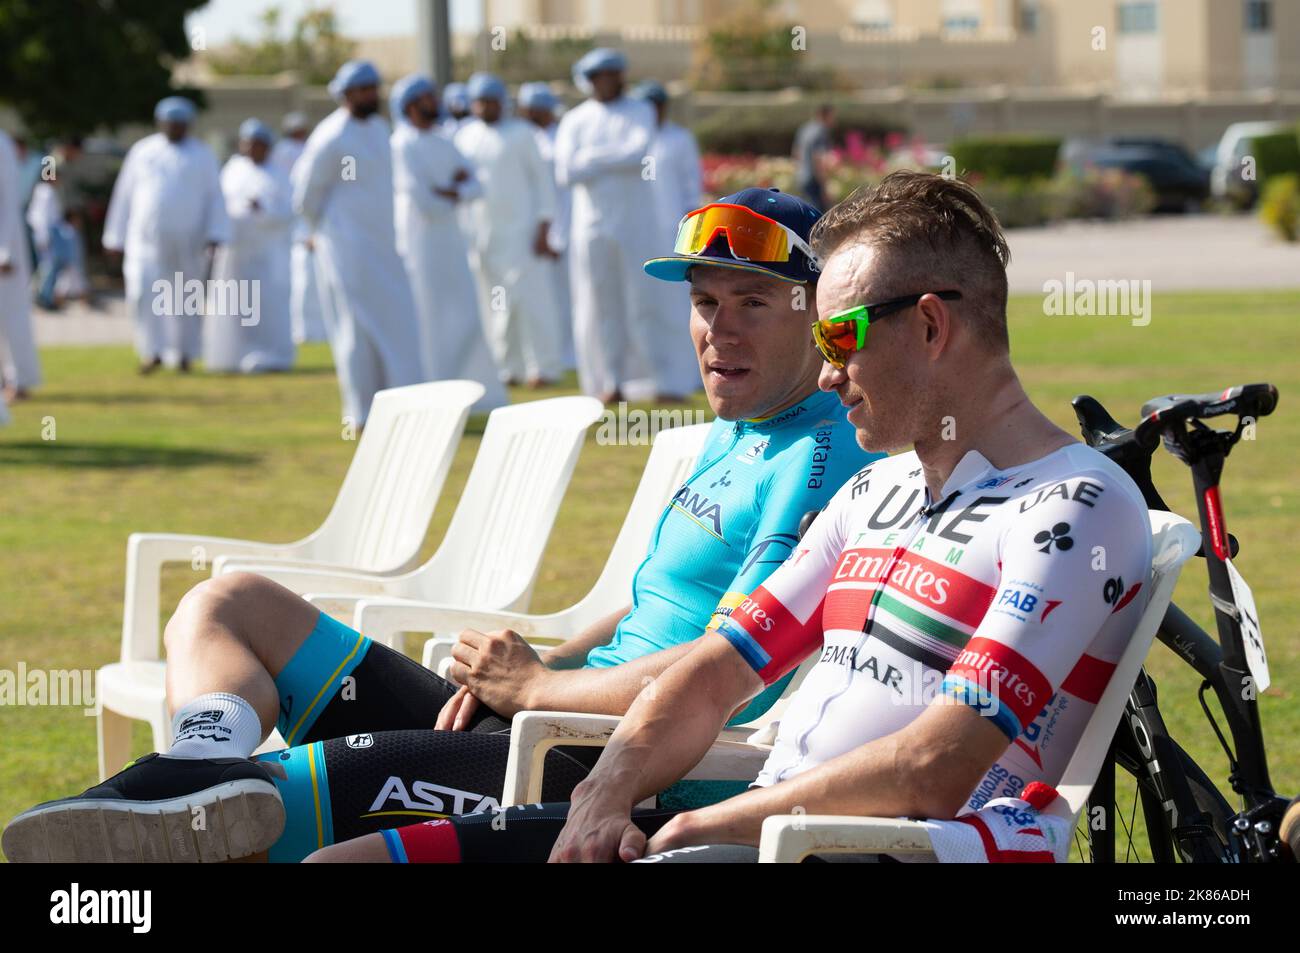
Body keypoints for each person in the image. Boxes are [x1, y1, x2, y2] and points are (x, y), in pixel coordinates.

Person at [0, 189, 883, 864]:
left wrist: (538, 689)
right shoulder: (740, 432)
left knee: (264, 809)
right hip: (549, 713)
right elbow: (653, 602)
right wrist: (543, 663)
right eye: (704, 303)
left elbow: (725, 671)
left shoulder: (819, 458)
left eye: (751, 304)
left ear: (817, 313)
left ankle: (153, 809)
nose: (716, 330)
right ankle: (193, 766)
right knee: (229, 603)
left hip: (605, 760)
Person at [337, 171, 1156, 865]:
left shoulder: (1075, 506)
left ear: (933, 325)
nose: (828, 375)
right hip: (753, 833)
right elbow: (720, 668)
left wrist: (706, 824)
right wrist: (606, 788)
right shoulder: (878, 492)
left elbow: (935, 763)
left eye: (838, 338)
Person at [292, 60, 424, 428]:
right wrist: (324, 231)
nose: (369, 95)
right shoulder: (332, 135)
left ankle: (400, 406)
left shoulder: (381, 128)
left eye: (372, 88)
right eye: (361, 90)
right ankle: (361, 413)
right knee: (354, 329)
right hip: (347, 248)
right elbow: (305, 194)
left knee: (396, 322)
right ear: (345, 95)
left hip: (384, 244)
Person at [554, 48, 677, 403]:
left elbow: (637, 153)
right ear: (591, 81)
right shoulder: (575, 120)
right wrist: (605, 159)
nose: (607, 83)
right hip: (591, 226)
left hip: (636, 224)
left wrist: (590, 159)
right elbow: (566, 172)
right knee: (600, 305)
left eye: (612, 75)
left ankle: (661, 381)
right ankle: (610, 380)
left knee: (646, 301)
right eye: (600, 77)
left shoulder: (639, 110)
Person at [389, 73, 506, 412]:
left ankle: (466, 391)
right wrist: (454, 191)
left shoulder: (443, 141)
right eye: (427, 97)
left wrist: (451, 190)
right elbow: (424, 202)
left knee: (462, 313)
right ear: (412, 105)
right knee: (426, 315)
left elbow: (477, 185)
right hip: (418, 244)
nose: (435, 102)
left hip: (451, 242)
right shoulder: (402, 144)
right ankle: (428, 393)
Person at [102, 97, 230, 374]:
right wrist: (115, 237)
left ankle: (185, 354)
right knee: (143, 295)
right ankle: (152, 352)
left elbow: (215, 198)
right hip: (144, 242)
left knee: (185, 299)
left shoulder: (203, 154)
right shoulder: (143, 151)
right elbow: (124, 195)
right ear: (160, 124)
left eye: (181, 124)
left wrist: (217, 232)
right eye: (171, 124)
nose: (176, 129)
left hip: (188, 242)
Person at [455, 72, 565, 388]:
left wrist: (545, 228)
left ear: (501, 103)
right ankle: (506, 368)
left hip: (524, 234)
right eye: (480, 102)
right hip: (482, 236)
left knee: (533, 302)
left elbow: (544, 186)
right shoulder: (465, 137)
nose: (485, 107)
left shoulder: (522, 134)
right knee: (494, 304)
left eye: (490, 101)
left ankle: (545, 367)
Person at [202, 119, 295, 374]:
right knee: (234, 305)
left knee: (266, 307)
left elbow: (289, 213)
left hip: (266, 255)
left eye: (258, 144)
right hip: (234, 254)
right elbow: (217, 205)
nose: (253, 148)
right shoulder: (232, 170)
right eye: (248, 143)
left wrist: (263, 210)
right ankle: (231, 356)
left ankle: (269, 356)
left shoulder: (279, 175)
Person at [631, 80, 704, 398]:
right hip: (636, 238)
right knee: (640, 308)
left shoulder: (679, 139)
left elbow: (692, 188)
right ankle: (645, 377)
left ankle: (681, 378)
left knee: (675, 310)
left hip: (674, 237)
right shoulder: (630, 141)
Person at [518, 81, 575, 372]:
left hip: (560, 227)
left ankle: (568, 354)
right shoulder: (528, 137)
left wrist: (556, 233)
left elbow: (561, 195)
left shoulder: (558, 138)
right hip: (536, 227)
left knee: (565, 296)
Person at [270, 111, 329, 346]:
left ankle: (319, 331)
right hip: (298, 228)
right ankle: (301, 330)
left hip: (315, 226)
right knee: (302, 284)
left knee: (317, 284)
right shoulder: (284, 151)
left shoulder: (310, 151)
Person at [0, 128, 42, 401]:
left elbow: (6, 202)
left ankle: (20, 380)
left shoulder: (1, 143)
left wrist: (4, 251)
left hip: (6, 248)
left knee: (11, 316)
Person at [28, 137, 90, 310]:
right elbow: (40, 215)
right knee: (47, 267)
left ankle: (48, 296)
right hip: (49, 229)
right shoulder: (49, 179)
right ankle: (42, 296)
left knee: (53, 266)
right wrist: (44, 236)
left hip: (56, 225)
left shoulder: (52, 185)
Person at [793, 103, 835, 211]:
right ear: (825, 115)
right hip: (813, 179)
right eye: (832, 116)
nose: (833, 120)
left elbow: (796, 152)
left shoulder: (804, 128)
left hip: (801, 177)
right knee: (818, 216)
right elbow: (818, 158)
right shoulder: (821, 131)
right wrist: (824, 186)